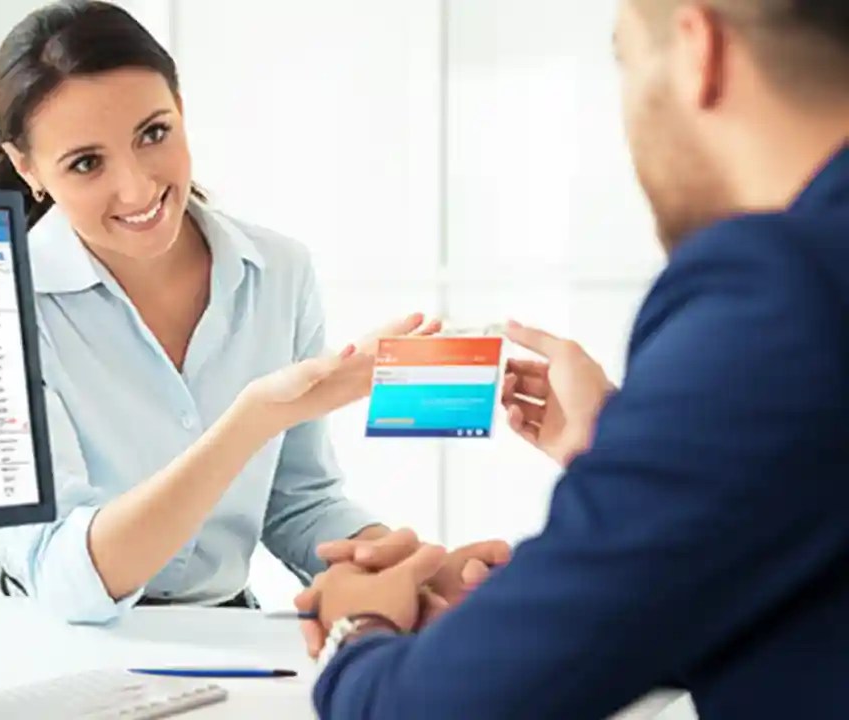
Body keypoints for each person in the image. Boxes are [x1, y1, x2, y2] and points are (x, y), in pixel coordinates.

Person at [296, 0, 849, 717]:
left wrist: (356, 627)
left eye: (625, 60)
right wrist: (536, 613)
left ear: (697, 47)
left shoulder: (780, 289)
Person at [0, 0, 508, 625]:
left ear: (181, 111)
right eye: (86, 163)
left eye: (154, 133)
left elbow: (298, 501)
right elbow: (63, 576)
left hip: (224, 634)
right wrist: (254, 419)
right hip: (53, 645)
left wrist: (409, 569)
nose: (138, 188)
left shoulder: (278, 272)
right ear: (26, 166)